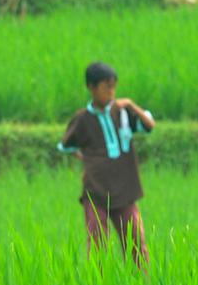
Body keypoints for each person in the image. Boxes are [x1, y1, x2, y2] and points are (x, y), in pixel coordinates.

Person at [58, 62, 155, 270]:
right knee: (97, 245)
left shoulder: (123, 113)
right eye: (106, 87)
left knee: (136, 244)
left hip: (125, 191)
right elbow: (65, 146)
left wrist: (130, 104)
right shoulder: (83, 119)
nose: (111, 92)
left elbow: (149, 125)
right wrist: (86, 158)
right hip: (96, 192)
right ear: (91, 88)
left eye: (113, 87)